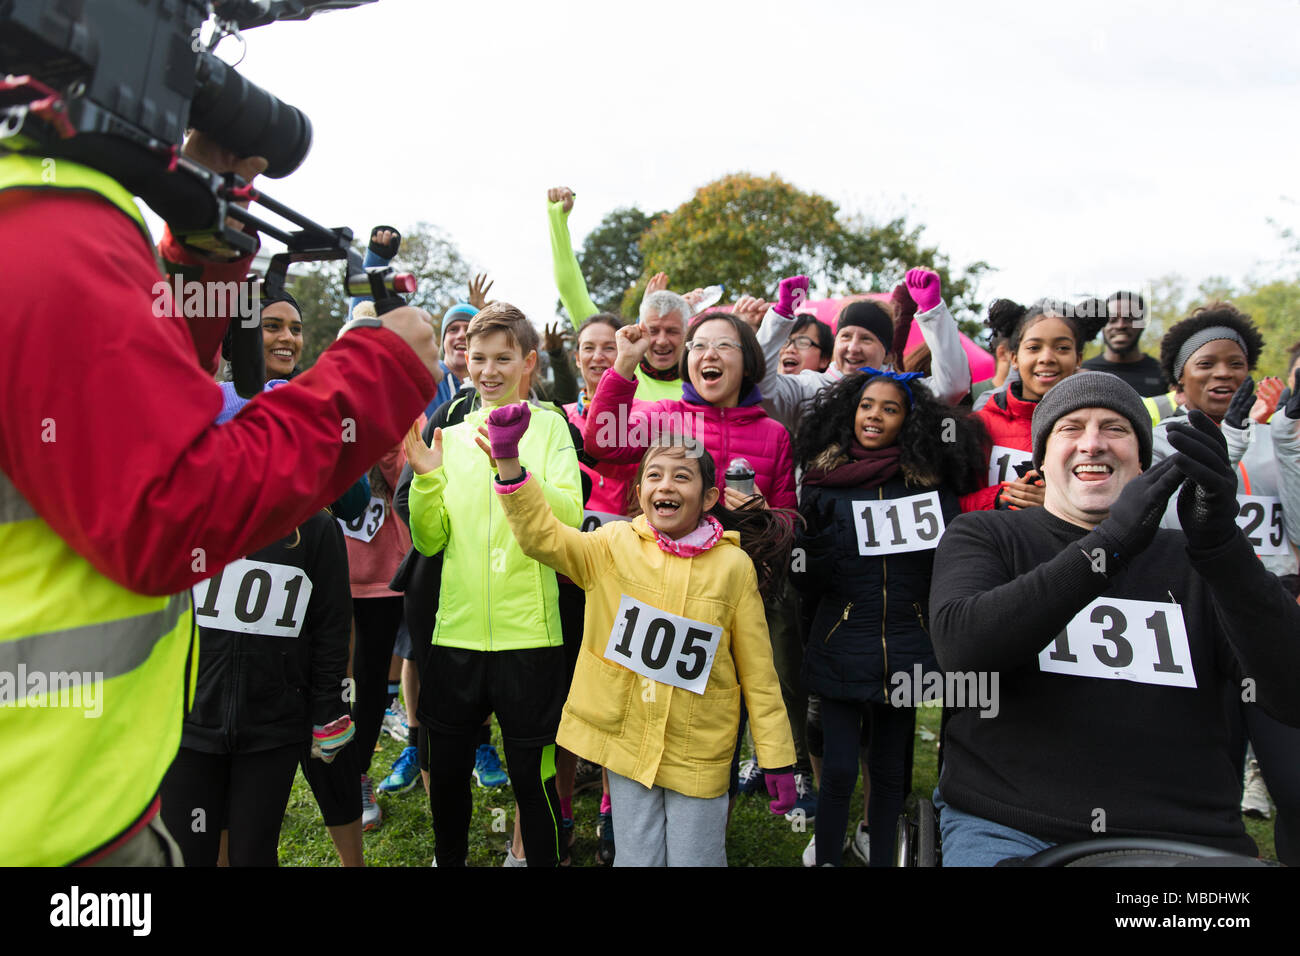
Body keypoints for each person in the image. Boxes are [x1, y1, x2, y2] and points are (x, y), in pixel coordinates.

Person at [0, 131, 440, 866]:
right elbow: (166, 507)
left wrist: (203, 258)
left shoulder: (39, 208)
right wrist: (379, 373)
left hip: (89, 793)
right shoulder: (41, 221)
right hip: (49, 826)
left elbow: (126, 394)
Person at [929, 372, 1300, 865]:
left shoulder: (1200, 559)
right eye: (1071, 428)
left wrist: (1222, 547)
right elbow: (964, 653)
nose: (1093, 444)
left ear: (1143, 459)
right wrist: (1112, 543)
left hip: (1187, 840)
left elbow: (1289, 690)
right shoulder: (986, 534)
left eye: (1115, 429)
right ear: (1040, 457)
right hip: (1011, 827)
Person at [491, 424, 797, 866]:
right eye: (654, 475)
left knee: (698, 859)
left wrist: (776, 755)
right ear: (638, 491)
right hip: (627, 742)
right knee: (637, 858)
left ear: (709, 497)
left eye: (682, 476)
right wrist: (508, 465)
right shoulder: (613, 545)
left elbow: (759, 672)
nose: (666, 485)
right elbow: (544, 538)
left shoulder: (734, 567)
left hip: (699, 749)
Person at [403, 303, 583, 867]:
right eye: (477, 358)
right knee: (450, 775)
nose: (488, 370)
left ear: (528, 362)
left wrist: (513, 469)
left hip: (530, 639)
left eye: (503, 358)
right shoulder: (449, 437)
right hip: (455, 636)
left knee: (534, 778)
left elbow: (568, 519)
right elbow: (430, 542)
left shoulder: (552, 426)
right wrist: (428, 479)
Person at [792, 369, 985, 866]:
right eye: (866, 405)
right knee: (836, 771)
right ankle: (829, 857)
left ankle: (882, 857)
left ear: (908, 421)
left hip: (908, 647)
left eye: (890, 408)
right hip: (840, 645)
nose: (874, 416)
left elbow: (946, 566)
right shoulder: (821, 487)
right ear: (849, 412)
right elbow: (807, 580)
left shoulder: (932, 490)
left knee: (889, 771)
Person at [159, 385, 354, 866]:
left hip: (272, 729)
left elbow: (332, 625)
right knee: (190, 852)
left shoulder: (315, 527)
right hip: (185, 725)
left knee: (253, 852)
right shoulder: (180, 518)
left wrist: (327, 705)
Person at [1151, 304, 1300, 865]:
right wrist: (1226, 443)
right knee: (1203, 789)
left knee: (1294, 783)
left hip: (1273, 610)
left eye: (1235, 364)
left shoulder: (1282, 434)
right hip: (1197, 614)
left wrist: (1286, 445)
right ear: (1180, 382)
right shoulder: (1161, 439)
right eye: (1206, 364)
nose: (1223, 374)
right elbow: (1168, 531)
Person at [752, 271, 971, 433]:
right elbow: (759, 387)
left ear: (886, 352)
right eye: (845, 336)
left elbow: (954, 388)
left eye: (866, 339)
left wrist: (934, 311)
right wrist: (780, 317)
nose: (853, 347)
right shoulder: (809, 389)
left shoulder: (906, 390)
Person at [547, 185, 686, 401]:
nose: (661, 341)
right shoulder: (623, 368)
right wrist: (557, 218)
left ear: (688, 334)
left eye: (672, 331)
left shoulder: (702, 385)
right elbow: (570, 289)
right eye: (653, 329)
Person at [961, 298, 1097, 512]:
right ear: (1014, 358)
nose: (1047, 358)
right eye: (1034, 347)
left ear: (1078, 358)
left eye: (1062, 348)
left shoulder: (1101, 429)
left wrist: (1061, 503)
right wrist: (999, 497)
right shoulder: (976, 426)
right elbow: (950, 505)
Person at [1081, 291, 1170, 397]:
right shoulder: (1083, 373)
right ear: (1103, 326)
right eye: (1112, 320)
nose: (1120, 326)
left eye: (1129, 319)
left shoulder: (1164, 374)